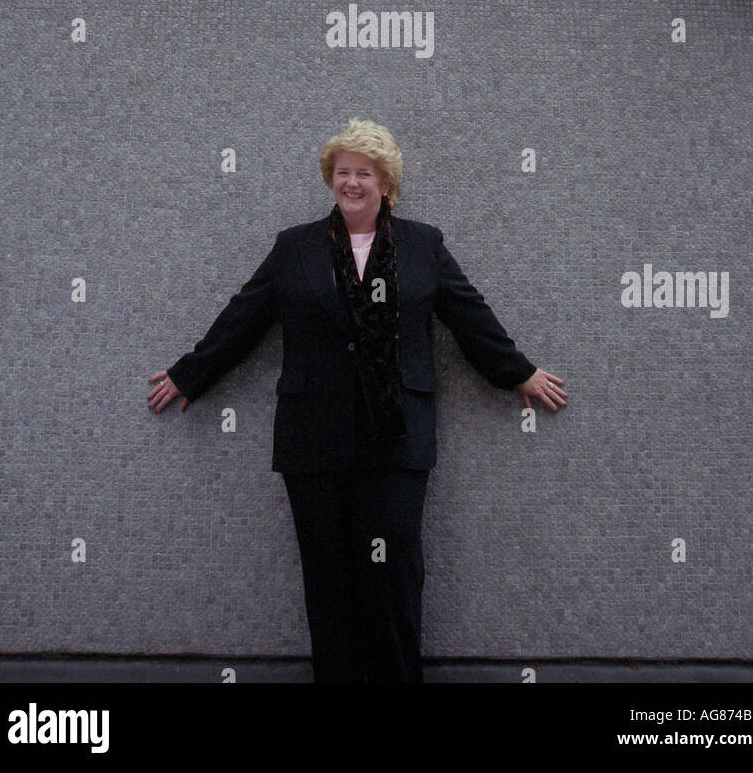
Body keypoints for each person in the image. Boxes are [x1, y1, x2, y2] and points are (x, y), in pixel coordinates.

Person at [148, 118, 567, 682]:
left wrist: (519, 372)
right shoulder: (294, 246)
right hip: (313, 437)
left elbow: (469, 315)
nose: (350, 182)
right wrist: (190, 374)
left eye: (362, 173)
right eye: (342, 172)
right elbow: (244, 315)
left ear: (385, 182)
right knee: (329, 575)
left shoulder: (423, 244)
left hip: (394, 437)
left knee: (392, 573)